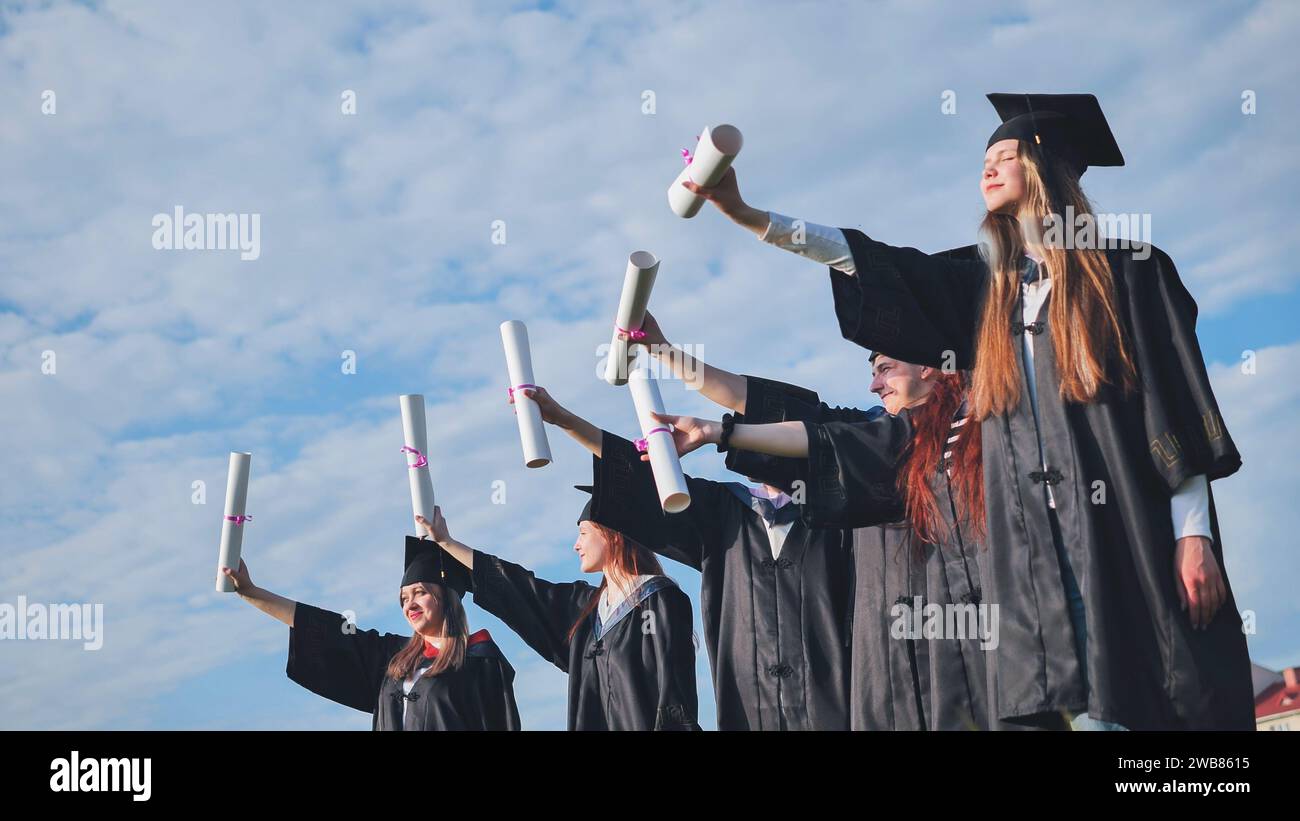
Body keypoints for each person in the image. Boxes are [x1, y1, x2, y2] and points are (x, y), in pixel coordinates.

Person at [673, 92, 1253, 730]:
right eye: (985, 158)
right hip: (1035, 567)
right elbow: (876, 263)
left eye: (1007, 155)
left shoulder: (1127, 274)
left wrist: (1192, 532)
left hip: (1123, 536)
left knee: (1152, 701)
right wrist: (750, 215)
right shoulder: (992, 299)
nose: (990, 167)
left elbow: (1174, 406)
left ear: (1049, 168)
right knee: (1077, 711)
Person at [513, 358, 854, 731]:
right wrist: (563, 418)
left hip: (836, 712)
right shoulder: (723, 513)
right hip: (749, 715)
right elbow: (636, 475)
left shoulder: (841, 517)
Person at [417, 497, 700, 731]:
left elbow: (675, 696)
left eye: (584, 533)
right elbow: (520, 589)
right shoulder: (584, 608)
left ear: (612, 534)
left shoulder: (659, 601)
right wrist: (447, 543)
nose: (576, 544)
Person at [219, 536, 520, 731]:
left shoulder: (480, 660)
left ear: (447, 597)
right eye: (403, 598)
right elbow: (325, 629)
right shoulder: (393, 659)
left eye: (419, 593)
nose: (409, 604)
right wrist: (251, 592)